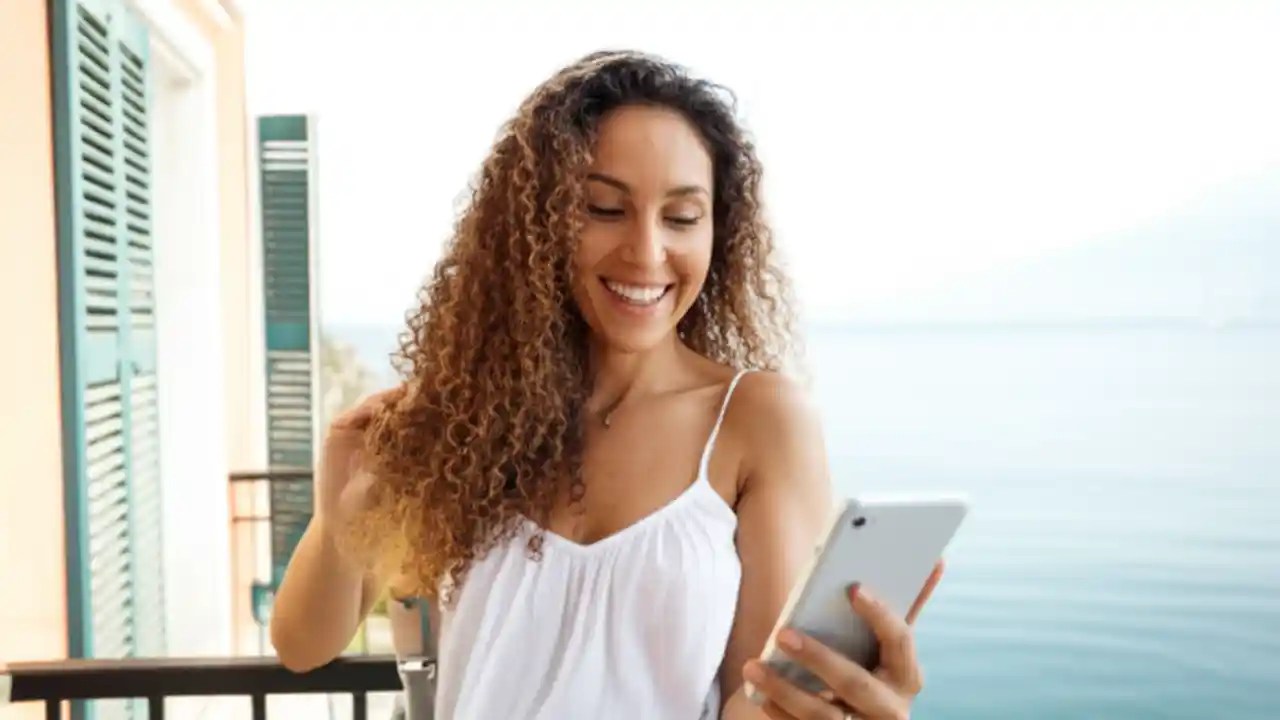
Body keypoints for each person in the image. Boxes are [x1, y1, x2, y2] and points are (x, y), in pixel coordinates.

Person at [270, 50, 944, 720]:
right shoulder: (460, 420)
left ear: (720, 231)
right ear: (534, 225)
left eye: (681, 218)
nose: (647, 253)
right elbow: (303, 647)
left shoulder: (756, 421)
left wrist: (831, 702)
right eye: (602, 208)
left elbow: (757, 698)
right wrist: (337, 523)